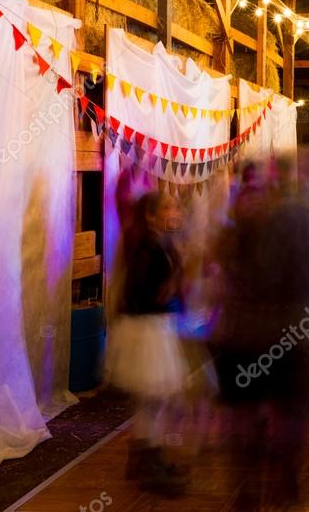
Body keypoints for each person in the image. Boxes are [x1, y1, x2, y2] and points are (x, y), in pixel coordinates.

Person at [211, 156, 309, 510]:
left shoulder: (240, 224)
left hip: (243, 335)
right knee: (287, 417)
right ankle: (283, 492)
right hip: (291, 334)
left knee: (245, 420)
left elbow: (221, 277)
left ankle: (248, 493)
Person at [105, 191, 188, 496]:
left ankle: (145, 459)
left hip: (155, 327)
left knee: (156, 401)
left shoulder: (158, 240)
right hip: (148, 330)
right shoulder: (148, 244)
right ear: (151, 215)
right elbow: (139, 290)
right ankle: (148, 463)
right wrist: (163, 292)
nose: (175, 212)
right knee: (156, 400)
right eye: (169, 208)